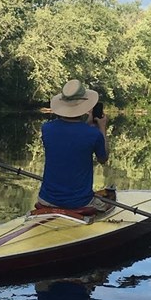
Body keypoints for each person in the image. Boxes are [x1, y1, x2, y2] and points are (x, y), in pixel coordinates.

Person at [37, 79, 109, 211]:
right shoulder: (93, 134)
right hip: (80, 203)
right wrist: (102, 128)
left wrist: (87, 125)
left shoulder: (46, 128)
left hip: (46, 200)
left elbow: (69, 137)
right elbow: (103, 159)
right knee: (107, 206)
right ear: (85, 107)